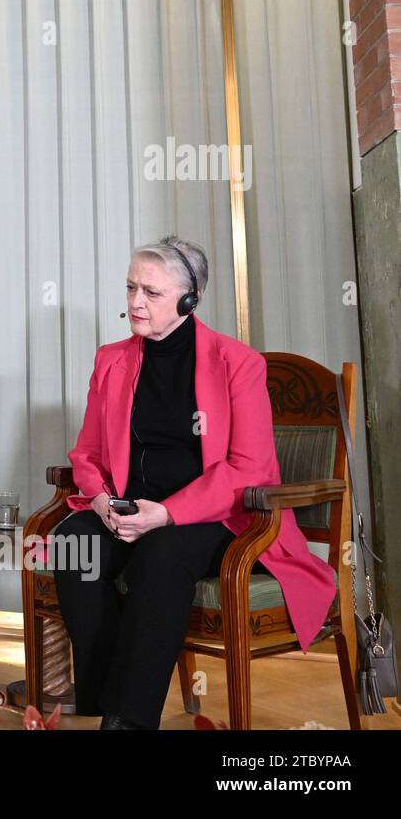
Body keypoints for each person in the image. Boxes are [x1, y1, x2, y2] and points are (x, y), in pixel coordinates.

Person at [51, 235, 337, 729]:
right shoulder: (112, 359)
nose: (135, 302)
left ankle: (127, 722)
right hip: (126, 506)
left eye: (152, 293)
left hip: (217, 516)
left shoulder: (237, 363)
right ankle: (99, 704)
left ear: (188, 300)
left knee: (160, 556)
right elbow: (88, 451)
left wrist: (163, 514)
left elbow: (248, 468)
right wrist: (99, 500)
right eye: (130, 288)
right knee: (72, 543)